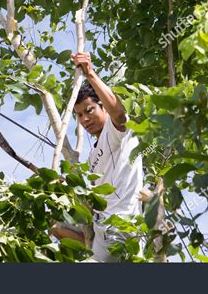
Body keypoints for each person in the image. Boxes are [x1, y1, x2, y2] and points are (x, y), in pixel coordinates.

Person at [71, 52, 144, 262]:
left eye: (90, 110)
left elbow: (119, 114)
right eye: (79, 115)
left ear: (102, 106)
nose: (85, 119)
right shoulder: (92, 154)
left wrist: (90, 74)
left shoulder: (116, 132)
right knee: (56, 228)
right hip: (100, 232)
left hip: (121, 225)